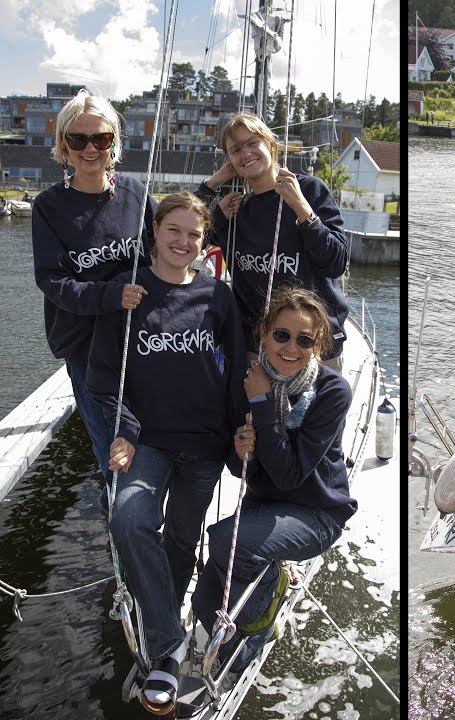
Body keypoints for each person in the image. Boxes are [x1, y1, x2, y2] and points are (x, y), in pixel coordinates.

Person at [87, 193, 245, 708]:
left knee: (181, 540)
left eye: (194, 235)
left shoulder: (217, 297)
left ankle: (165, 653)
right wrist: (126, 432)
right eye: (173, 230)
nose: (183, 242)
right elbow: (103, 378)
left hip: (203, 446)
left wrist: (240, 434)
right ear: (155, 230)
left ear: (205, 241)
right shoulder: (130, 295)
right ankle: (169, 640)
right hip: (148, 441)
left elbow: (236, 372)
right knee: (130, 521)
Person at [191, 287, 356, 678]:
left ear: (317, 345)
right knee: (203, 601)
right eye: (281, 335)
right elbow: (241, 468)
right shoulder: (248, 384)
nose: (291, 348)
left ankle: (262, 622)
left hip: (317, 512)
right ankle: (262, 592)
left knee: (226, 539)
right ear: (263, 333)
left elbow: (289, 474)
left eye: (304, 340)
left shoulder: (332, 393)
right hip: (266, 506)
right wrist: (240, 450)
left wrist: (263, 404)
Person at [32, 89, 155, 486]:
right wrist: (110, 296)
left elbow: (166, 256)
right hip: (87, 350)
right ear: (63, 147)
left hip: (139, 342)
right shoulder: (49, 206)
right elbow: (52, 280)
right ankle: (121, 528)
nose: (90, 148)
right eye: (78, 139)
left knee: (152, 440)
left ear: (114, 143)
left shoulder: (136, 194)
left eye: (101, 138)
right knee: (114, 454)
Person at [196, 111, 350, 370]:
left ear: (270, 144)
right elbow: (179, 237)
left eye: (252, 143)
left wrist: (302, 209)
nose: (245, 153)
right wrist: (212, 184)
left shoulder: (309, 190)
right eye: (235, 150)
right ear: (230, 160)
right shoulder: (234, 210)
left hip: (313, 346)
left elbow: (335, 263)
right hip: (256, 349)